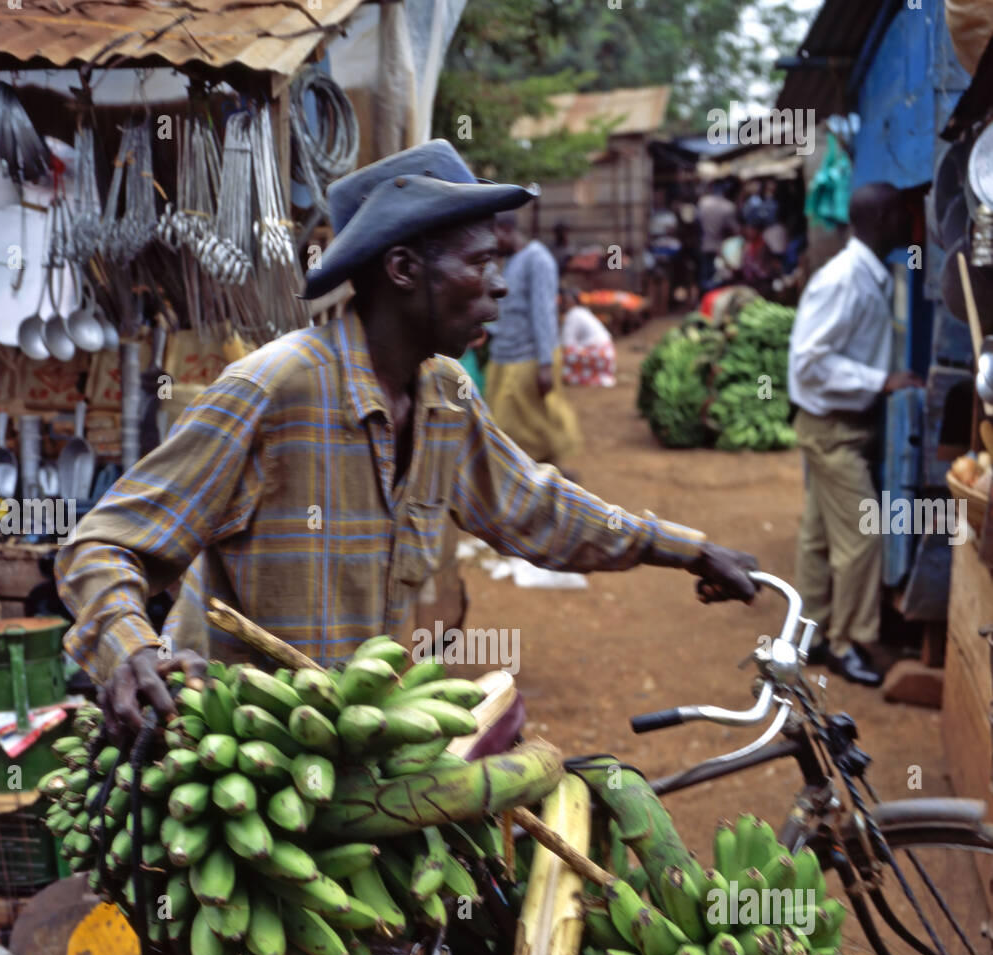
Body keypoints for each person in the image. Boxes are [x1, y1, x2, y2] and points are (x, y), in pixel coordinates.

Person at [55, 137, 758, 736]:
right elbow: (105, 542)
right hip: (246, 757)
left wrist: (684, 548)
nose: (499, 286)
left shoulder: (445, 394)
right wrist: (129, 649)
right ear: (402, 270)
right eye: (479, 263)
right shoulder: (272, 389)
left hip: (359, 742)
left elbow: (535, 508)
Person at [788, 182, 923, 687]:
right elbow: (809, 361)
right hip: (832, 429)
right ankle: (849, 644)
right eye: (906, 216)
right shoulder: (845, 278)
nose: (912, 226)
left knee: (820, 536)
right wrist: (879, 380)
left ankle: (813, 636)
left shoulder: (869, 274)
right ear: (887, 219)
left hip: (838, 425)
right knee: (864, 535)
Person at [484, 209, 582, 467]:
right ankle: (539, 480)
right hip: (504, 356)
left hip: (528, 359)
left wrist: (546, 363)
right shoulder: (511, 260)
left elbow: (543, 313)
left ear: (504, 230)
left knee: (530, 433)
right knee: (510, 432)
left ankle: (549, 480)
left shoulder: (538, 260)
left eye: (492, 237)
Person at [560, 287, 616, 387]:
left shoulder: (573, 314)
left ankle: (574, 377)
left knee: (562, 355)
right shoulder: (583, 311)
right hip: (607, 355)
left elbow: (567, 344)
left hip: (598, 354)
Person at [697, 179, 739, 290]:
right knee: (718, 280)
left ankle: (705, 302)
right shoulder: (728, 206)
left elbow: (696, 224)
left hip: (704, 245)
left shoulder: (703, 203)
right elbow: (734, 229)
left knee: (705, 278)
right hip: (720, 248)